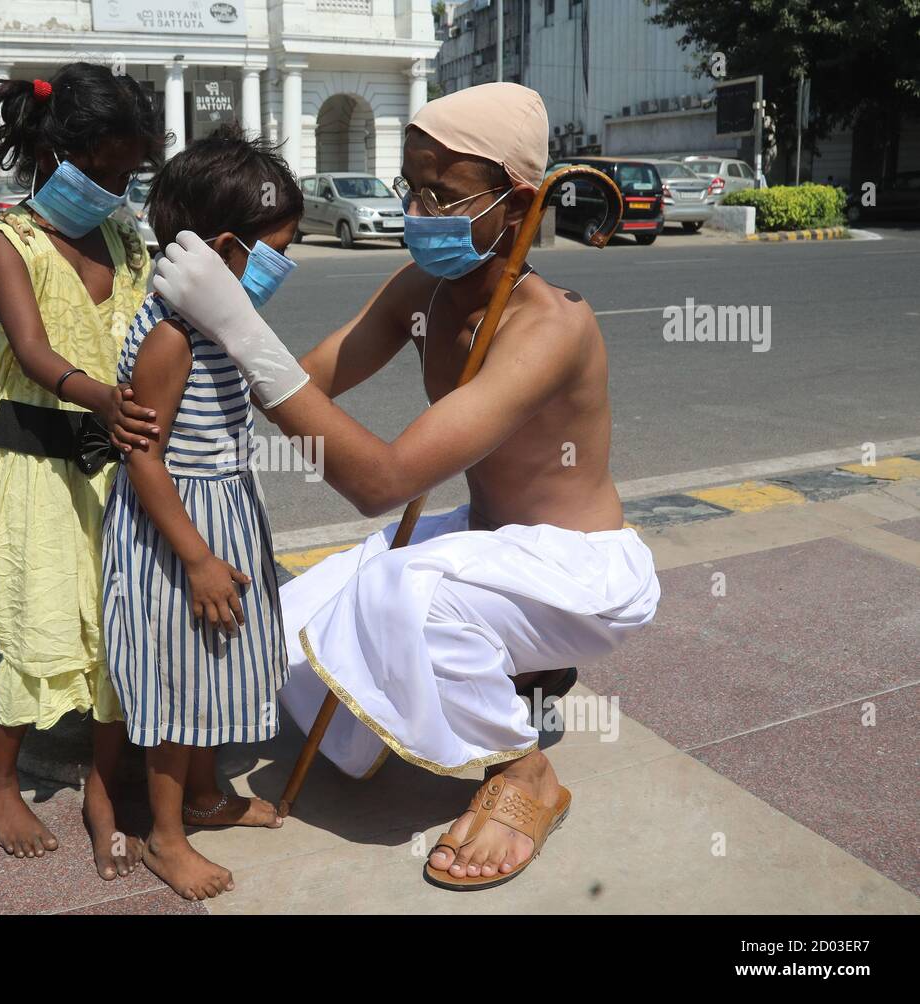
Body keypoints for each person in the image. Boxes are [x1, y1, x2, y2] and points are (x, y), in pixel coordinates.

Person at [141, 83, 661, 890]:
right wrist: (170, 381)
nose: (419, 210)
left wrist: (243, 332)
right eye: (410, 188)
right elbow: (308, 378)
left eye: (443, 195)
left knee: (401, 592)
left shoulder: (551, 326)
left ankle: (525, 774)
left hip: (577, 571)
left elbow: (380, 481)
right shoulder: (424, 289)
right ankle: (426, 707)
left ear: (518, 204)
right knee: (297, 620)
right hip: (484, 545)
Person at [0, 63, 164, 880]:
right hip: (40, 465)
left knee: (117, 626)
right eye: (104, 172)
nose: (115, 188)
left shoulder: (123, 237)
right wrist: (104, 400)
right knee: (40, 620)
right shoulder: (5, 240)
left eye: (128, 176)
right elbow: (34, 349)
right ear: (54, 153)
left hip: (113, 464)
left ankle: (101, 789)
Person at [101, 127, 300, 901]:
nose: (289, 263)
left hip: (221, 511)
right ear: (224, 247)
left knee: (213, 667)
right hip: (174, 529)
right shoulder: (172, 339)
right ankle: (165, 834)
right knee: (177, 683)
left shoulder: (218, 324)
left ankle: (209, 795)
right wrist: (196, 558)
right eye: (279, 249)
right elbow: (143, 458)